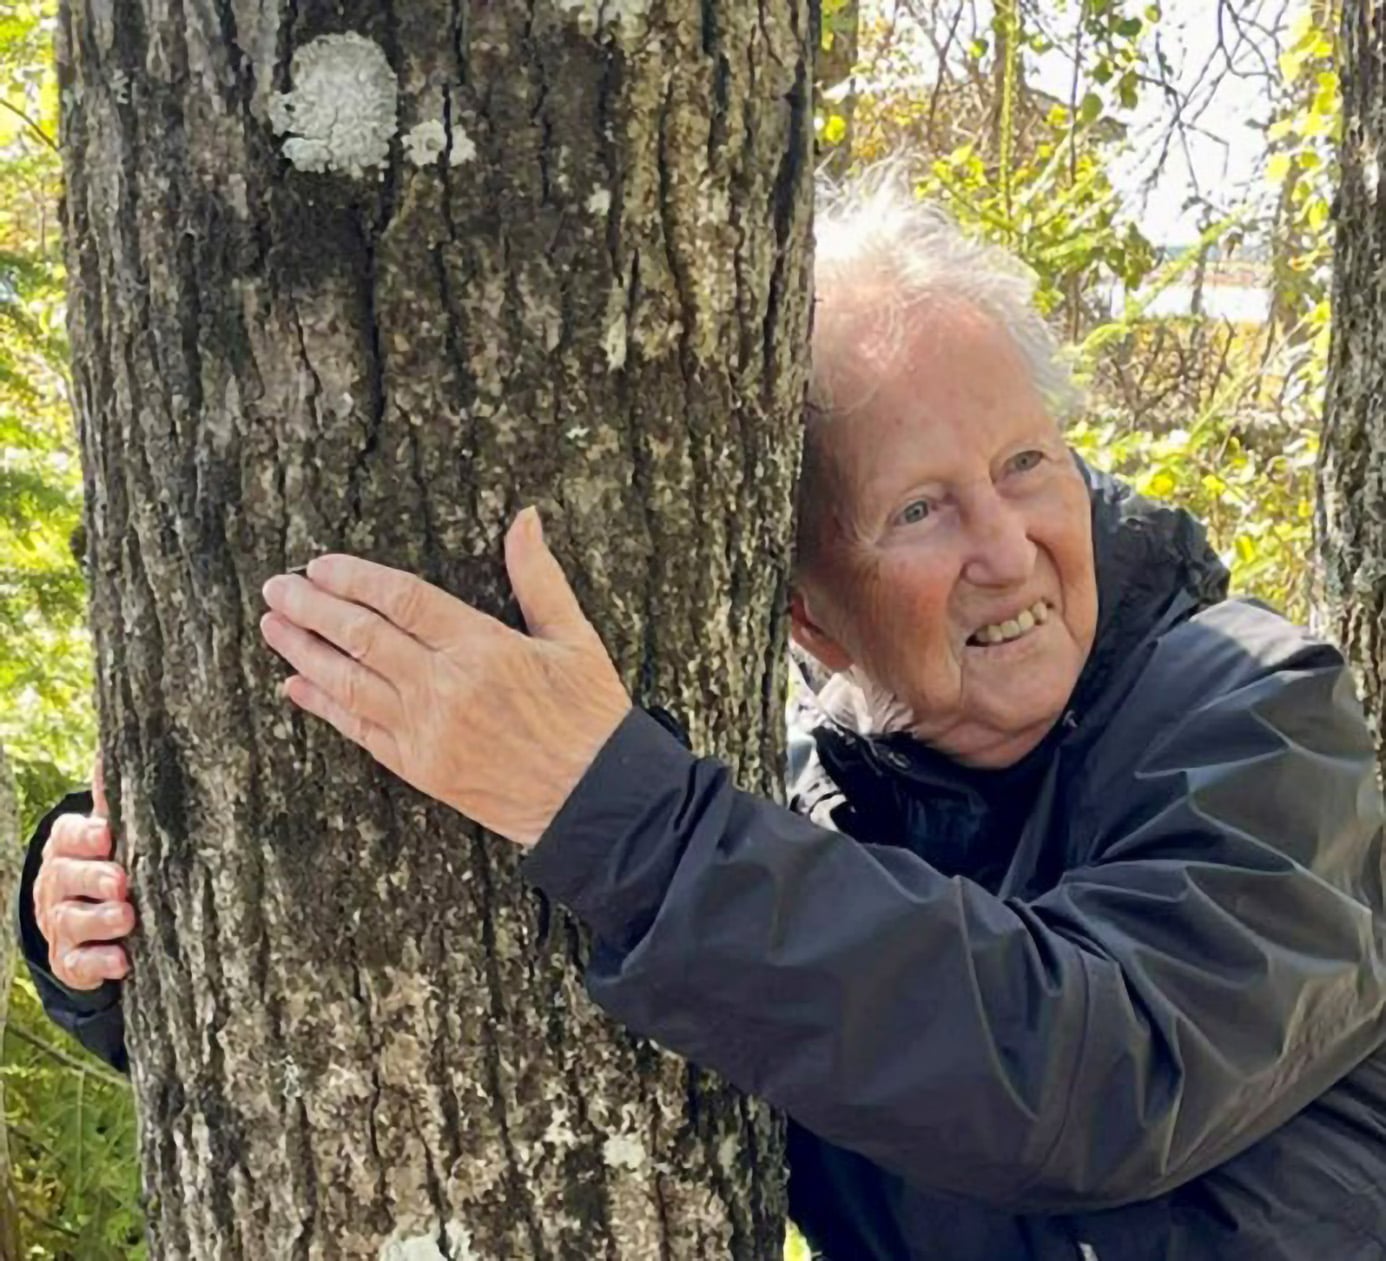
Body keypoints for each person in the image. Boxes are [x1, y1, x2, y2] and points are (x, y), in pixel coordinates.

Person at [22, 174, 1386, 1261]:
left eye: (1026, 463)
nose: (1007, 545)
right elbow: (476, 997)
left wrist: (627, 818)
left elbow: (1096, 1076)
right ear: (805, 608)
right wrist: (114, 948)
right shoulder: (791, 816)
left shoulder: (1257, 715)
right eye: (918, 508)